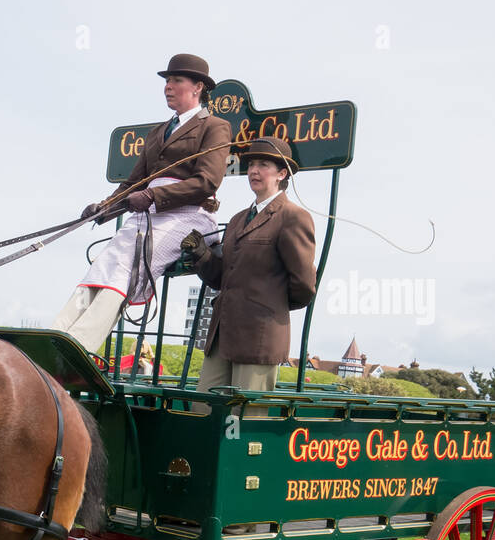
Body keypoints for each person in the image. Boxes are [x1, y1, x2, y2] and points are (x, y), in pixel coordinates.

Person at [53, 53, 233, 355]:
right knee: (105, 262)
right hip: (148, 214)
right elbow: (133, 184)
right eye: (166, 81)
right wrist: (104, 208)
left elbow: (207, 182)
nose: (168, 87)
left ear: (198, 87)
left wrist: (153, 196)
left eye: (176, 80)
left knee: (128, 262)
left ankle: (79, 346)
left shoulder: (214, 126)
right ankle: (58, 333)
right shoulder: (156, 133)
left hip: (190, 216)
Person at [183, 136, 316, 393]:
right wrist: (201, 254)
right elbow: (223, 277)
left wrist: (267, 305)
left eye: (264, 164)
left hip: (260, 337)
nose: (254, 170)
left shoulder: (294, 217)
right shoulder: (237, 220)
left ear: (281, 173)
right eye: (252, 164)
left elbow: (303, 286)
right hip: (222, 333)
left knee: (243, 420)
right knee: (203, 410)